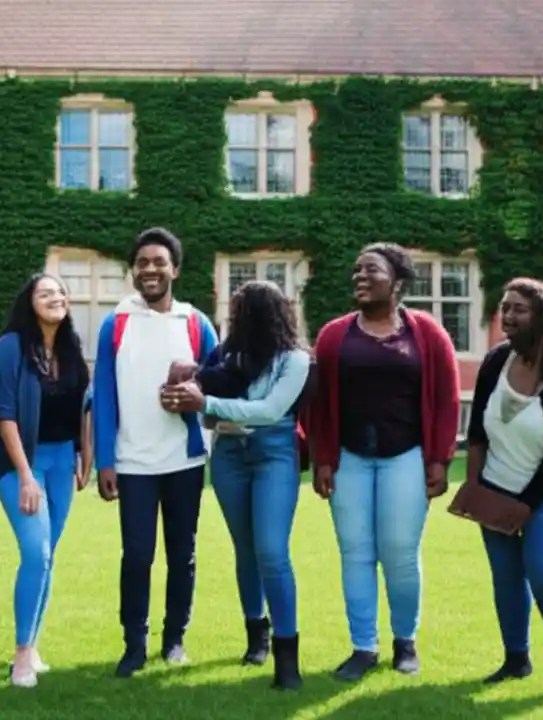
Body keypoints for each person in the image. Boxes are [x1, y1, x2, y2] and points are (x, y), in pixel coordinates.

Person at [308, 242, 461, 682]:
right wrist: (323, 458)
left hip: (406, 458)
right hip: (349, 460)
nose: (359, 276)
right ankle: (363, 647)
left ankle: (404, 641)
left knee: (399, 553)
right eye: (356, 270)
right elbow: (319, 405)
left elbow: (447, 400)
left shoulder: (426, 333)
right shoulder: (335, 335)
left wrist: (439, 460)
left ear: (397, 281)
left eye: (370, 270)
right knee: (355, 554)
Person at [162, 280, 313, 691]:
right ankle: (255, 635)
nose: (233, 318)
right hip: (229, 455)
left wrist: (207, 404)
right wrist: (192, 397)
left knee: (271, 550)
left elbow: (270, 410)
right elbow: (206, 400)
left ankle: (287, 655)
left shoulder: (294, 360)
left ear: (266, 315)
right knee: (245, 550)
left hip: (274, 454)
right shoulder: (227, 356)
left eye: (242, 311)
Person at [93, 227, 218, 678]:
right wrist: (105, 459)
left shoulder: (194, 322)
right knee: (137, 555)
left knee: (182, 553)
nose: (150, 269)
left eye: (159, 261)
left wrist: (191, 390)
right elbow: (103, 392)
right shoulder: (117, 323)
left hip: (184, 459)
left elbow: (218, 378)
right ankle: (134, 643)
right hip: (132, 463)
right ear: (134, 272)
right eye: (142, 262)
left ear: (175, 269)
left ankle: (175, 639)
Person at [464, 277, 543, 700]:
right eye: (504, 308)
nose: (508, 316)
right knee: (506, 579)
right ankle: (516, 658)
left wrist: (526, 504)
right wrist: (474, 486)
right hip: (497, 487)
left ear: (542, 315)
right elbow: (477, 430)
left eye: (518, 308)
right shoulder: (495, 362)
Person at [0, 273, 93, 688]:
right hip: (21, 463)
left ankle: (32, 647)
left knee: (49, 557)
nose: (56, 297)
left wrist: (85, 457)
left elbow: (84, 405)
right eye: (45, 292)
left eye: (60, 292)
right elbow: (5, 414)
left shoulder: (69, 349)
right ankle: (20, 658)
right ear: (29, 302)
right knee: (36, 552)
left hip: (61, 461)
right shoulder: (12, 346)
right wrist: (26, 476)